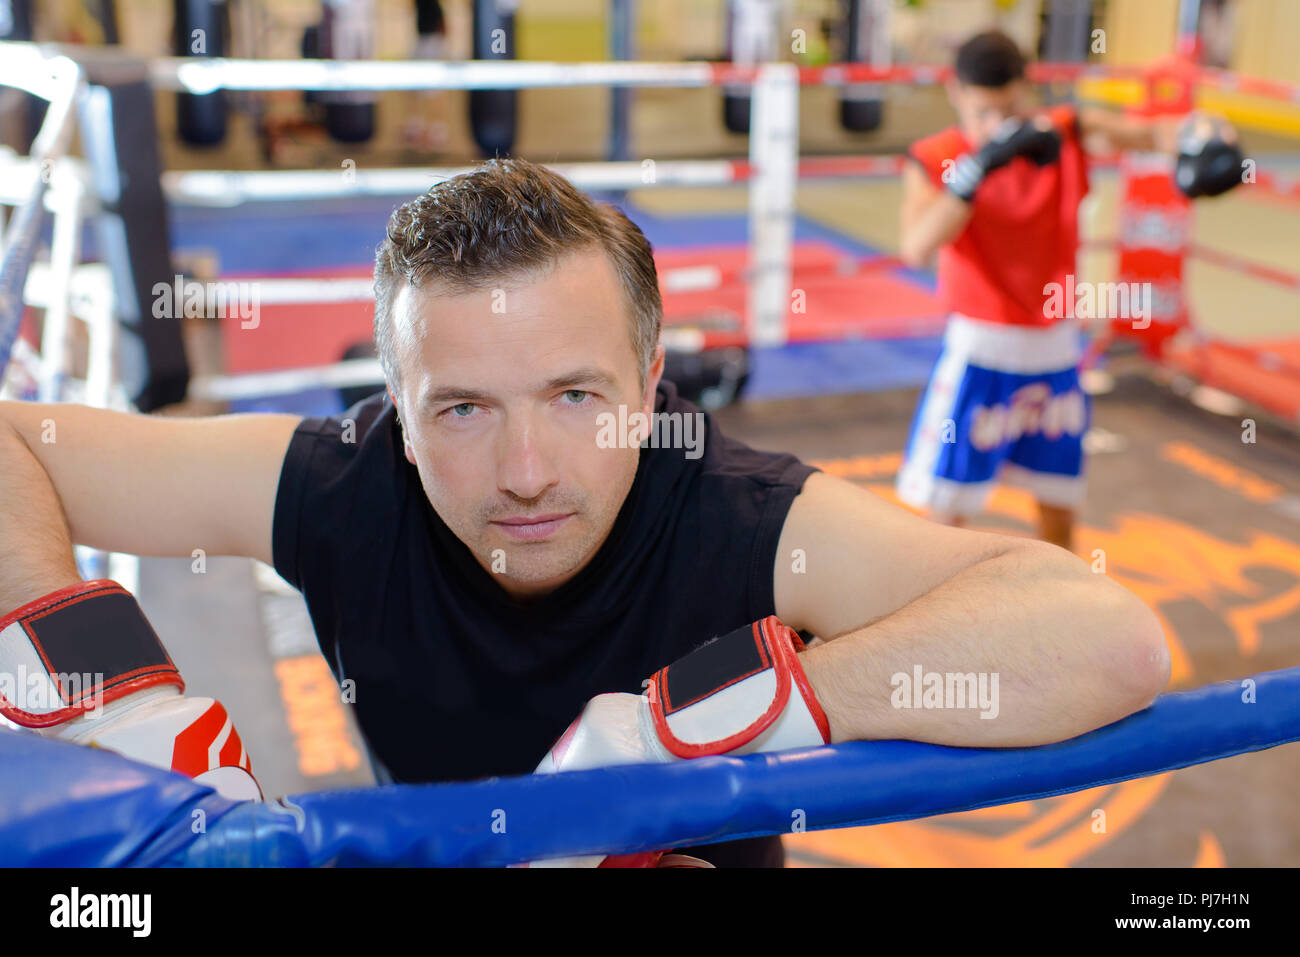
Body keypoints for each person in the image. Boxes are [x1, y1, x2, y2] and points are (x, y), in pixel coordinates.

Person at [0, 158, 1170, 867]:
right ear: (395, 405)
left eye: (575, 396)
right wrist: (96, 699)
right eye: (460, 408)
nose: (526, 470)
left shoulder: (736, 518)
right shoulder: (338, 484)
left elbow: (1105, 637)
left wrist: (692, 728)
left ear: (650, 380)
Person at [895, 29, 1241, 552]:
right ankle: (926, 622)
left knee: (1059, 506)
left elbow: (1154, 135)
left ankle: (1072, 622)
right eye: (983, 111)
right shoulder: (938, 156)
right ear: (956, 93)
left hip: (1055, 350)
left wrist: (1208, 132)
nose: (997, 122)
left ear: (1027, 87)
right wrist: (979, 167)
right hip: (981, 352)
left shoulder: (1068, 132)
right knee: (945, 517)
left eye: (1008, 108)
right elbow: (916, 248)